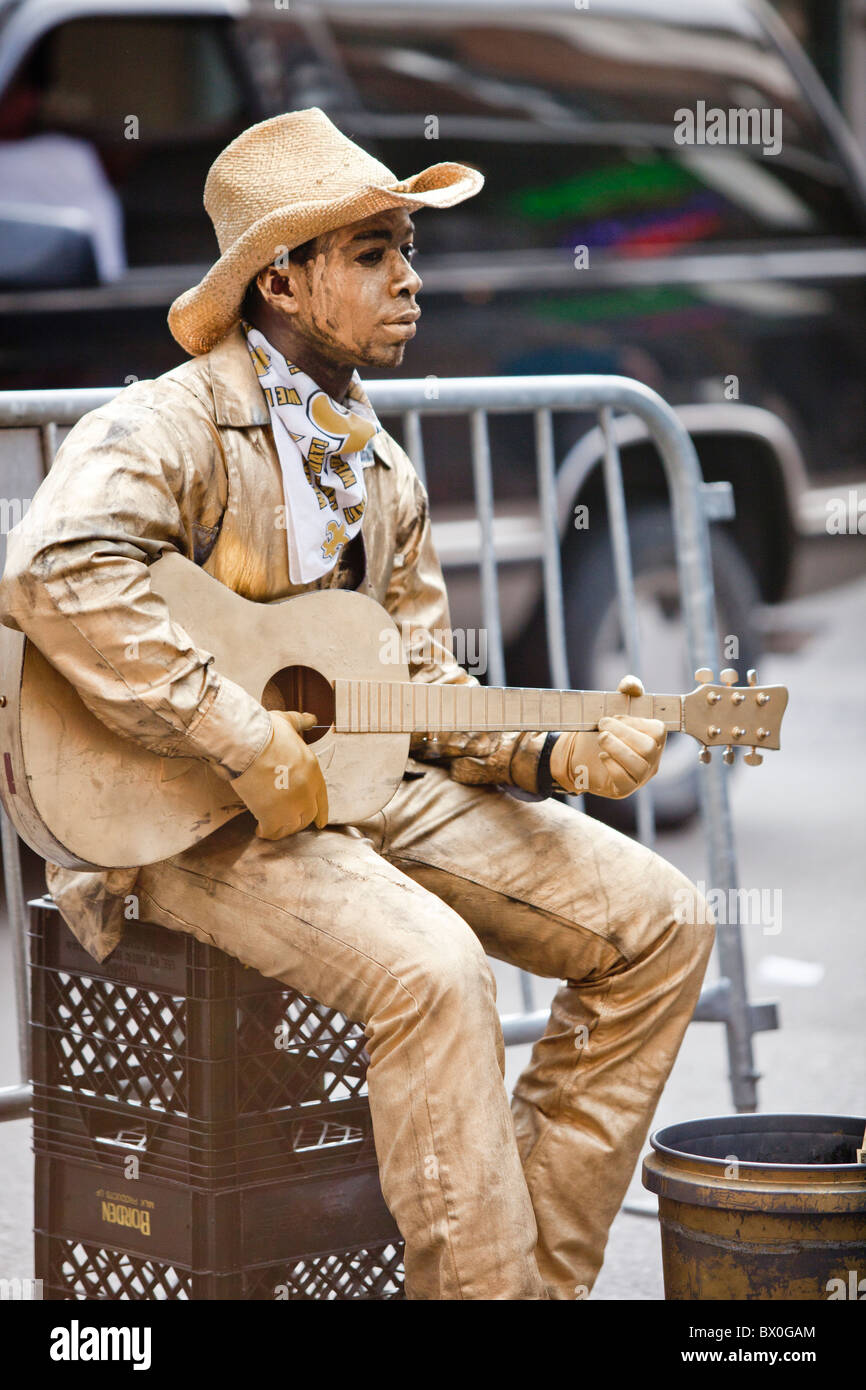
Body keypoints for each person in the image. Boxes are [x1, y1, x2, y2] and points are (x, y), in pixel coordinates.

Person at [0, 108, 714, 1300]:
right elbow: (53, 568)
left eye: (407, 251)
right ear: (281, 278)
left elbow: (417, 689)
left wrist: (555, 747)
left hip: (359, 792)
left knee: (663, 919)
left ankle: (519, 1284)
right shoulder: (169, 421)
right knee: (432, 969)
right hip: (182, 818)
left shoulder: (373, 464)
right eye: (375, 253)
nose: (410, 280)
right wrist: (237, 732)